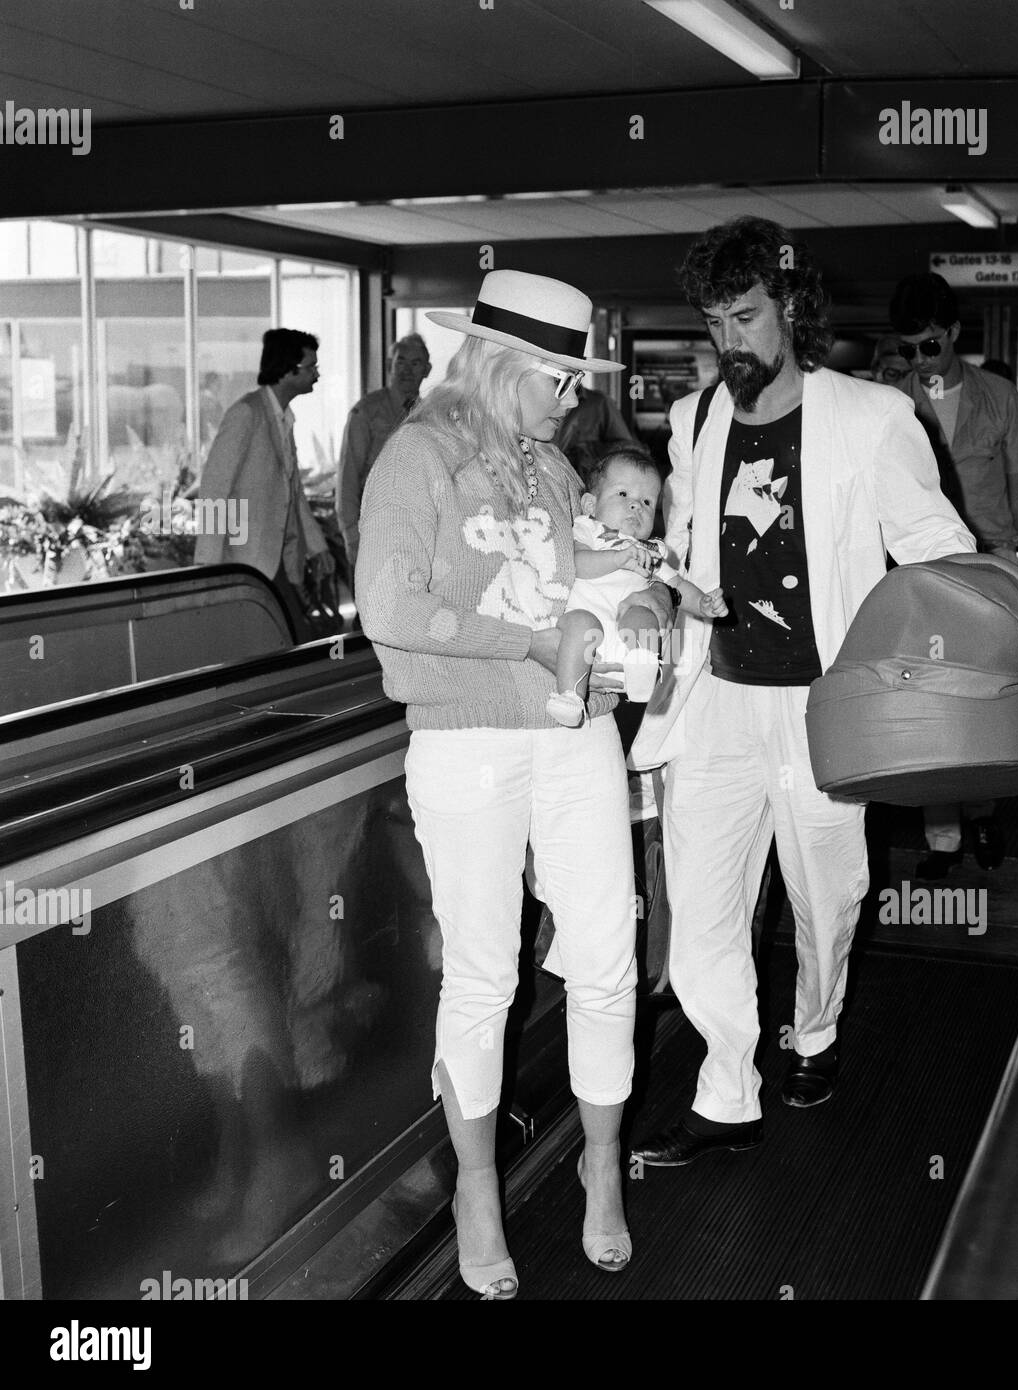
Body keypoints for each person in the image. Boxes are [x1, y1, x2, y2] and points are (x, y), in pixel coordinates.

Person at [627, 217, 974, 1166]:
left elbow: (938, 551)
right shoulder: (695, 421)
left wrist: (935, 661)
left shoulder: (869, 418)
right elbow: (689, 541)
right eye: (713, 324)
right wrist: (656, 593)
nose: (728, 343)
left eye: (745, 318)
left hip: (823, 705)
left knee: (825, 897)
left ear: (793, 309)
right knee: (701, 908)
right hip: (718, 698)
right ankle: (726, 1090)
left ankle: (812, 1033)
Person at [356, 270, 672, 1297]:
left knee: (605, 958)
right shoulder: (417, 457)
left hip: (573, 737)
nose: (575, 396)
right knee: (487, 975)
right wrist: (537, 644)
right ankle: (478, 1188)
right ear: (503, 363)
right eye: (561, 376)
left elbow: (588, 577)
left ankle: (599, 1160)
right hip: (468, 744)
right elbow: (390, 609)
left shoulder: (547, 467)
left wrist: (641, 608)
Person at [889, 273, 1018, 879]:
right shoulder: (893, 401)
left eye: (930, 345)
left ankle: (983, 811)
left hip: (993, 564)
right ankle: (943, 834)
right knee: (930, 703)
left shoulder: (1000, 396)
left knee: (987, 700)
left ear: (954, 333)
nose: (919, 360)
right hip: (923, 574)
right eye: (908, 349)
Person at [548, 444, 727, 727]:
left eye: (646, 502)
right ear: (590, 505)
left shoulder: (650, 550)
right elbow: (576, 564)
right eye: (623, 494)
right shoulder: (589, 530)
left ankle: (643, 669)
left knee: (644, 614)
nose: (636, 505)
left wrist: (703, 603)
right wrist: (618, 558)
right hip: (584, 642)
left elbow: (677, 584)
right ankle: (570, 696)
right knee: (580, 622)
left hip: (628, 650)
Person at [195, 328, 334, 641]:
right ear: (287, 370)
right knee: (276, 640)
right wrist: (208, 569)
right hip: (246, 563)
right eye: (311, 367)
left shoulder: (284, 418)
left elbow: (295, 495)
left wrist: (318, 547)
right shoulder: (246, 413)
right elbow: (215, 492)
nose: (316, 374)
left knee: (285, 639)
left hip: (278, 562)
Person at [336, 333, 432, 572]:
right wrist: (352, 538)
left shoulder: (431, 415)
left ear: (427, 370)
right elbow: (347, 480)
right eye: (400, 361)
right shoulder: (366, 412)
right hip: (371, 534)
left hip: (416, 537)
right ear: (390, 364)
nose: (406, 370)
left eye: (415, 363)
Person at [554, 383, 634, 478]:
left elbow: (627, 448)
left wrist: (588, 451)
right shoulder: (547, 398)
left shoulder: (599, 402)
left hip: (583, 481)